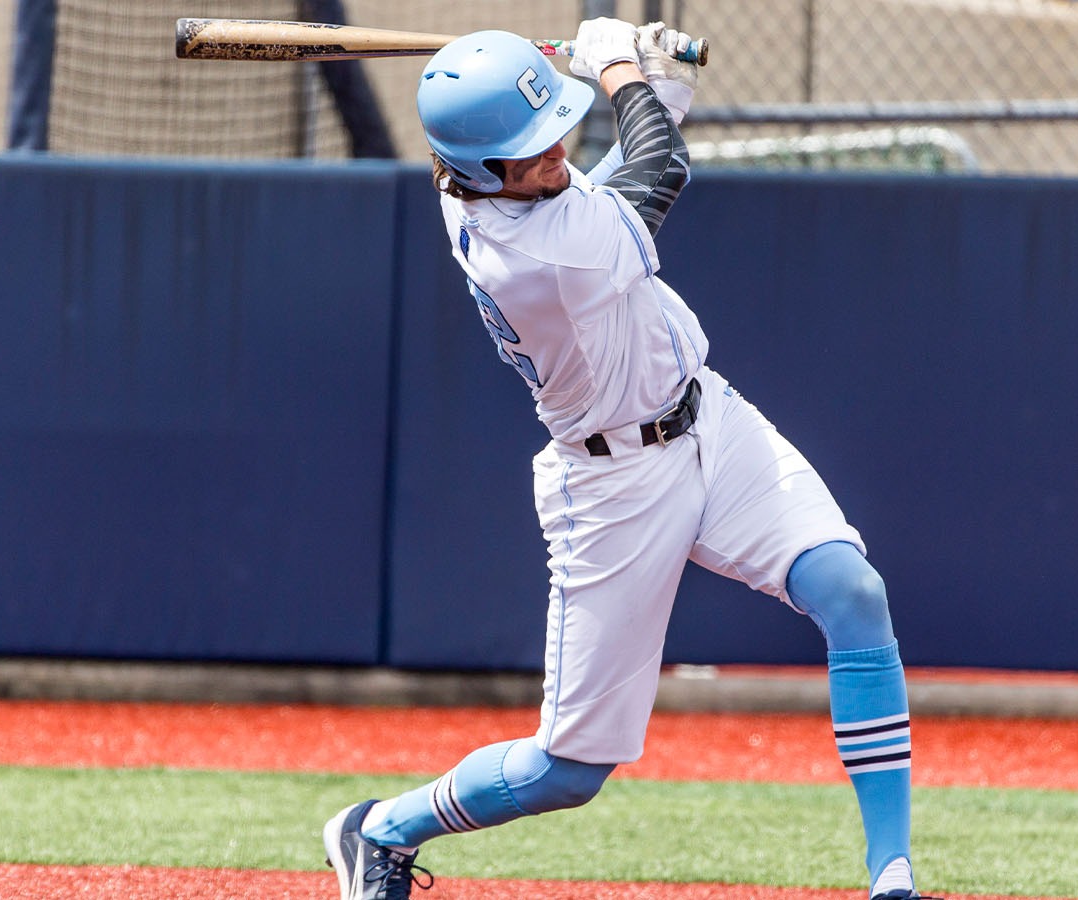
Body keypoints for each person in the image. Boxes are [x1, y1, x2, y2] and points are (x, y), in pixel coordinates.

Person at [322, 17, 933, 900]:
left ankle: (891, 874)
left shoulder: (502, 187)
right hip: (611, 485)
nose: (554, 155)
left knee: (852, 590)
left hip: (709, 422)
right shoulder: (532, 256)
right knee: (568, 771)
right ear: (480, 170)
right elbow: (657, 173)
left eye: (551, 134)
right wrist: (617, 67)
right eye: (529, 151)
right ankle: (382, 827)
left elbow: (606, 184)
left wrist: (662, 83)